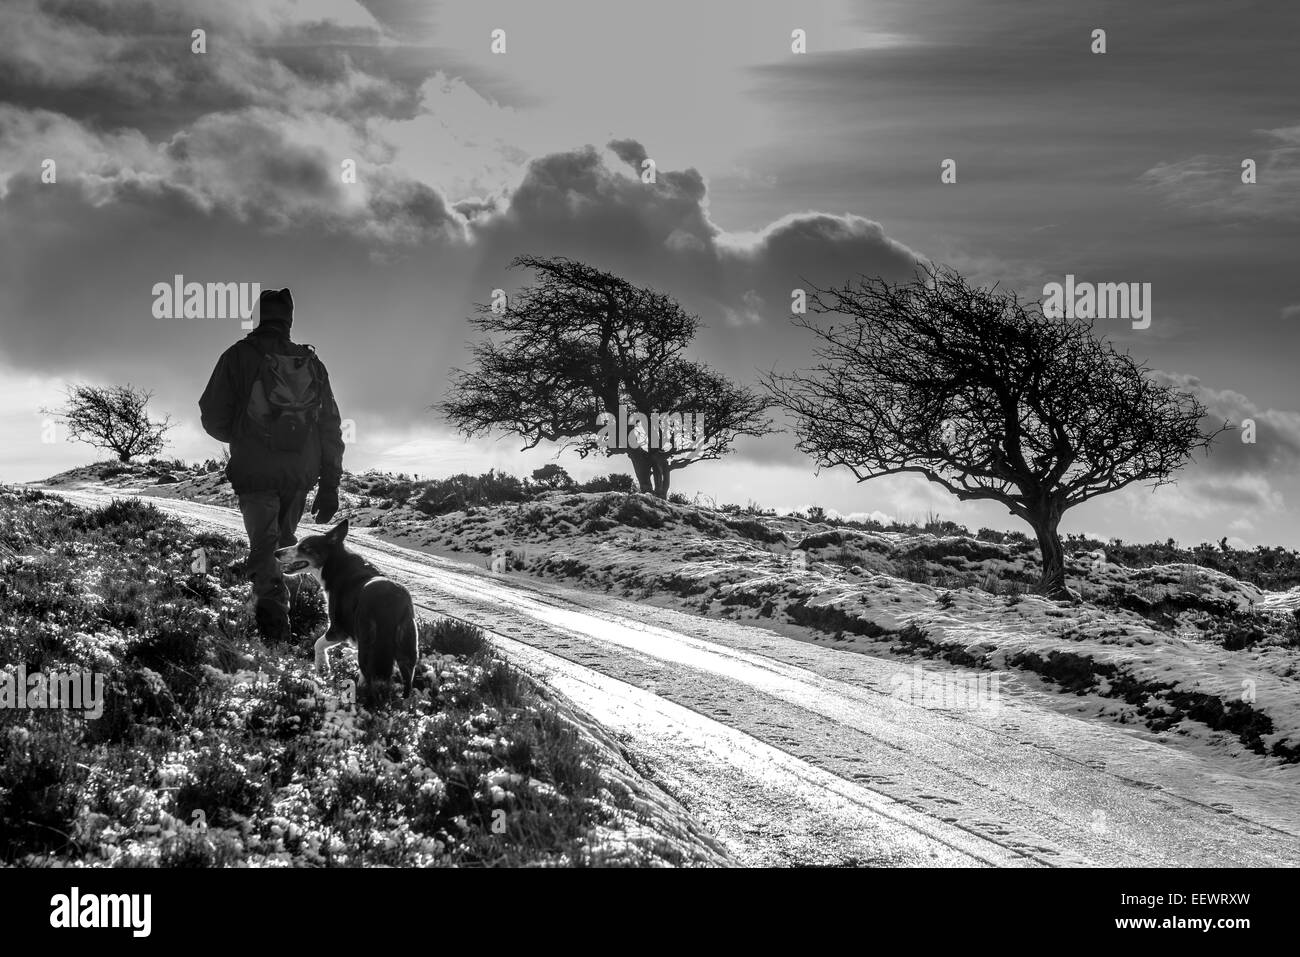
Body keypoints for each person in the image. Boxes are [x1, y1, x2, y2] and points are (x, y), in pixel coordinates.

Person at [198, 288, 344, 642]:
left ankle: (274, 629)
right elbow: (330, 426)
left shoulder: (238, 356)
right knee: (284, 541)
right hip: (299, 474)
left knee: (265, 547)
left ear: (258, 316)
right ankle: (279, 619)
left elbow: (211, 415)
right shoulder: (310, 364)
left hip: (255, 471)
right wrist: (329, 485)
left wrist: (241, 435)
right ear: (289, 320)